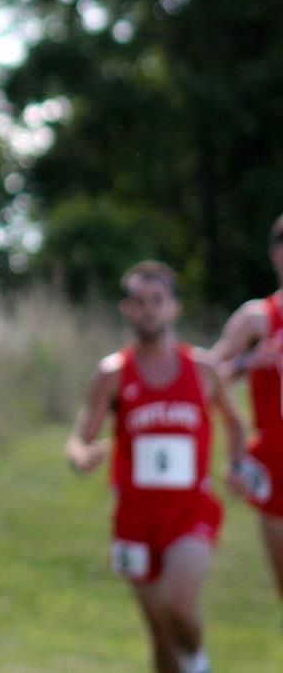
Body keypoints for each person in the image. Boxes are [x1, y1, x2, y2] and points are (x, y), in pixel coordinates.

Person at [65, 261, 248, 673]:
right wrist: (83, 456)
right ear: (126, 309)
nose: (148, 309)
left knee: (176, 605)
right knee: (159, 634)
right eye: (138, 301)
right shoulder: (112, 373)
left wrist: (236, 463)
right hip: (134, 518)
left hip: (190, 512)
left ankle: (199, 665)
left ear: (173, 308)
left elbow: (235, 423)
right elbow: (81, 437)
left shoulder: (203, 370)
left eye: (157, 301)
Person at [207, 212, 283, 618]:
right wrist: (248, 362)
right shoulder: (259, 317)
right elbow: (205, 377)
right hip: (276, 462)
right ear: (276, 254)